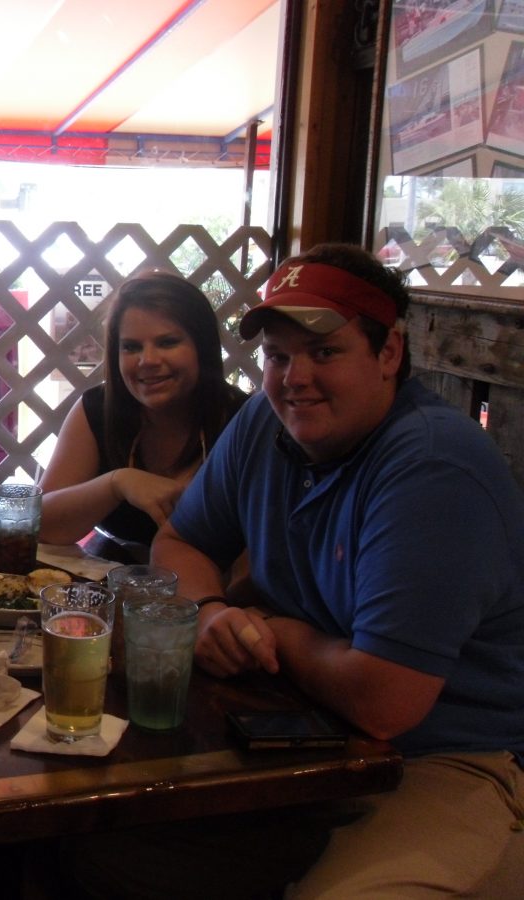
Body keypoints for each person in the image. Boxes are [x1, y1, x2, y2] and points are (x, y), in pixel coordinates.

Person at [76, 244, 524, 898]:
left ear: (389, 353)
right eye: (278, 357)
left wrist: (275, 634)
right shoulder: (266, 420)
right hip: (297, 729)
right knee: (96, 853)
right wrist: (211, 613)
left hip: (445, 758)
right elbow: (179, 541)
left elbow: (385, 701)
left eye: (325, 352)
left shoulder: (432, 470)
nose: (294, 378)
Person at [38, 272, 247, 546]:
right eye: (131, 347)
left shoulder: (243, 420)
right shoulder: (97, 409)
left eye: (167, 342)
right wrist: (118, 484)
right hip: (111, 580)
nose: (147, 360)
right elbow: (40, 525)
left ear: (203, 347)